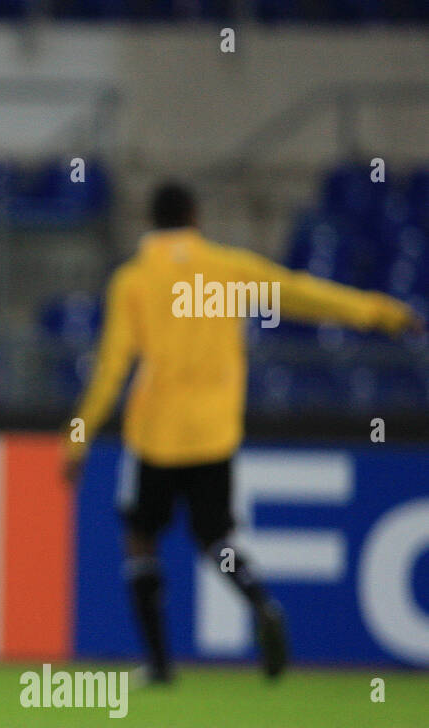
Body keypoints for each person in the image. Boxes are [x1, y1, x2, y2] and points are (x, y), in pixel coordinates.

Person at [62, 182, 420, 683]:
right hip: (214, 434)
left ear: (152, 221)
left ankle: (161, 666)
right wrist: (386, 313)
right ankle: (259, 600)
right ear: (194, 217)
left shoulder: (134, 280)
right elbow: (305, 295)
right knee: (216, 539)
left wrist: (77, 438)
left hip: (155, 437)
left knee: (141, 538)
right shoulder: (227, 269)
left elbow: (111, 368)